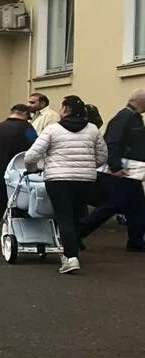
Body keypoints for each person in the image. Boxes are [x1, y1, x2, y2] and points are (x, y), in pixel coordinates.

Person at [24, 95, 107, 274]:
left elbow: (31, 156)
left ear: (67, 110)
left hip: (58, 180)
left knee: (64, 217)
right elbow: (102, 157)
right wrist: (87, 167)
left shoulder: (53, 129)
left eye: (62, 107)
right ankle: (74, 250)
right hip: (86, 180)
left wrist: (34, 168)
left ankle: (70, 257)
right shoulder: (93, 130)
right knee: (78, 215)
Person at [80, 88, 145, 252]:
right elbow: (112, 142)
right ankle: (76, 233)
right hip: (119, 172)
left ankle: (136, 241)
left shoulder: (134, 118)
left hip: (131, 172)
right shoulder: (125, 117)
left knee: (137, 206)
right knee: (112, 205)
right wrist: (116, 166)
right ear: (140, 101)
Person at [0, 104, 38, 250]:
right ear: (25, 114)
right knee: (20, 205)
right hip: (16, 173)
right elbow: (35, 148)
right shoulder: (27, 129)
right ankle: (22, 236)